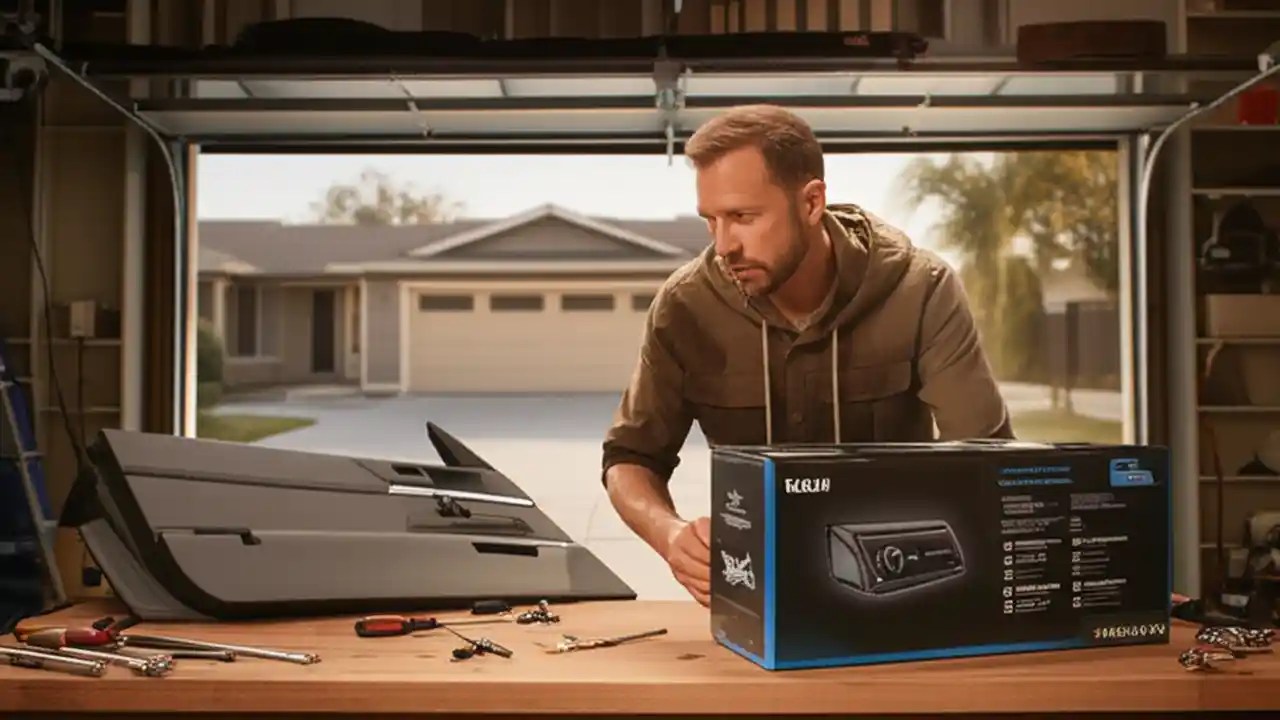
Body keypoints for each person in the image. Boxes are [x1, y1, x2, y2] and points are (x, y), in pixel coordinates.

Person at [600, 104, 1013, 607]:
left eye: (744, 217)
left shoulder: (920, 289)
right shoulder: (684, 307)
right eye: (712, 221)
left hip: (902, 590)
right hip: (756, 596)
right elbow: (629, 457)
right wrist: (669, 535)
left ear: (812, 202)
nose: (724, 244)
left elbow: (987, 461)